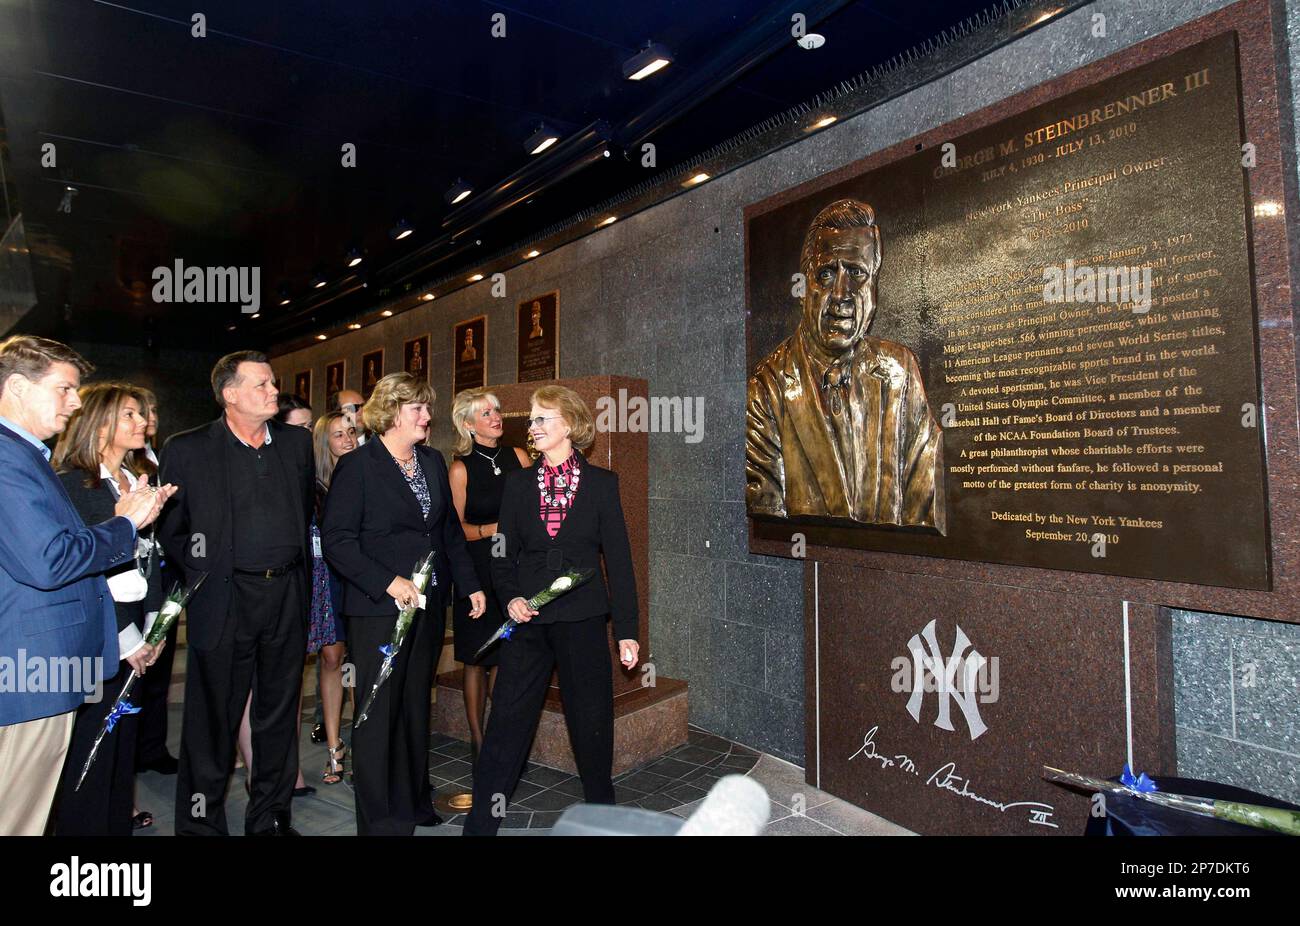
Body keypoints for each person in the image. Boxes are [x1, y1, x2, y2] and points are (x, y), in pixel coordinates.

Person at [0, 336, 170, 836]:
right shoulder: (10, 459)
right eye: (65, 389)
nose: (75, 402)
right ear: (15, 387)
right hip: (33, 666)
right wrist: (126, 524)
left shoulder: (25, 455)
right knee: (17, 816)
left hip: (45, 661)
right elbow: (51, 561)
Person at [463, 385, 639, 837]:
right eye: (533, 420)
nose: (533, 427)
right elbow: (503, 552)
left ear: (570, 426)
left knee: (592, 723)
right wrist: (512, 598)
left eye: (543, 419)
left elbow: (617, 560)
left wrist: (627, 631)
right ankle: (480, 826)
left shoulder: (603, 484)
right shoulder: (518, 484)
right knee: (507, 722)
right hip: (528, 620)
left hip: (582, 619)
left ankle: (605, 818)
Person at [157, 350, 314, 836]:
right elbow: (171, 530)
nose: (273, 392)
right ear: (230, 394)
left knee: (278, 713)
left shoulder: (295, 444)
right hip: (224, 600)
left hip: (286, 592)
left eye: (272, 384)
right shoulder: (188, 448)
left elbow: (304, 508)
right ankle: (202, 826)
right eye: (262, 385)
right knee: (211, 722)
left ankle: (269, 818)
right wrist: (209, 567)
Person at [322, 372, 484, 835]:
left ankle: (413, 799)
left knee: (415, 704)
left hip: (428, 606)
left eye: (427, 409)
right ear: (392, 413)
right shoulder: (359, 466)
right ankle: (380, 819)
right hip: (378, 611)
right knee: (377, 712)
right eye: (419, 409)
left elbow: (448, 532)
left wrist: (469, 584)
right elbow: (338, 541)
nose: (428, 417)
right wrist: (387, 581)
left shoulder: (432, 461)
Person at [746, 198, 946, 531]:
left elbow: (924, 500)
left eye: (856, 273)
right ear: (805, 287)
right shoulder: (767, 390)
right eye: (826, 273)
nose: (841, 293)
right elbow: (767, 506)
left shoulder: (901, 373)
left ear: (875, 288)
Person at [51, 382, 165, 835]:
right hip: (99, 634)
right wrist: (128, 640)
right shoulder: (74, 485)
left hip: (136, 627)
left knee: (122, 745)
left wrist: (154, 627)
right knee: (92, 748)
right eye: (130, 415)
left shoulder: (134, 480)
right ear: (100, 423)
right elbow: (89, 572)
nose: (142, 423)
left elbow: (150, 558)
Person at [232, 392, 317, 798]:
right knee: (249, 687)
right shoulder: (240, 456)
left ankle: (284, 771)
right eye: (299, 427)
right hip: (243, 588)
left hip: (292, 582)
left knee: (286, 688)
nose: (305, 435)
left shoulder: (301, 458)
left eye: (308, 428)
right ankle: (254, 769)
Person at [448, 389, 530, 766]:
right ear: (468, 424)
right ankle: (478, 741)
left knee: (505, 654)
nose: (496, 416)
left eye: (496, 410)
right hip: (476, 569)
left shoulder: (519, 457)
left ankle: (498, 738)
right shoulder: (460, 468)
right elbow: (453, 529)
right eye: (485, 413)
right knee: (476, 657)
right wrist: (491, 530)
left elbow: (536, 507)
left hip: (513, 568)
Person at [132, 385, 181, 778]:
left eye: (150, 411)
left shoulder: (162, 456)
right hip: (133, 574)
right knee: (132, 664)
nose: (148, 419)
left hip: (165, 571)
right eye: (136, 412)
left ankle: (153, 746)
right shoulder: (119, 464)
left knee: (159, 660)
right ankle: (129, 752)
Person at [310, 411, 355, 783]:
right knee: (332, 657)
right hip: (325, 580)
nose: (348, 439)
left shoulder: (366, 474)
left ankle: (368, 741)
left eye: (351, 432)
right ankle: (334, 745)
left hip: (362, 577)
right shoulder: (313, 488)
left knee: (362, 659)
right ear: (325, 444)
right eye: (339, 435)